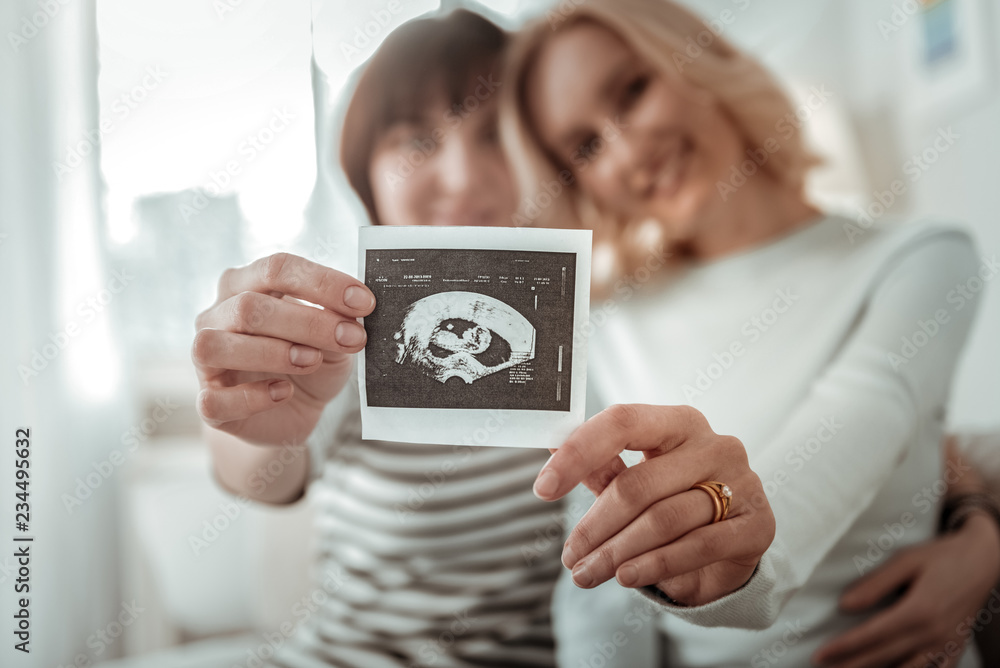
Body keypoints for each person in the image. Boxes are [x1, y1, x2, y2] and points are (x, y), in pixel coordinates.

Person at [499, 0, 998, 665]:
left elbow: (866, 416)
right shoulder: (604, 328)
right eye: (586, 145)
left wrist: (741, 549)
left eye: (633, 89)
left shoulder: (921, 260)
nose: (626, 151)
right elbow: (600, 593)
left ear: (700, 58)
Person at [192, 11, 563, 667]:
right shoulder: (344, 330)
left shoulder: (601, 339)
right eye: (417, 141)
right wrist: (244, 409)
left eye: (494, 137)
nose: (462, 179)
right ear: (366, 171)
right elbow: (259, 474)